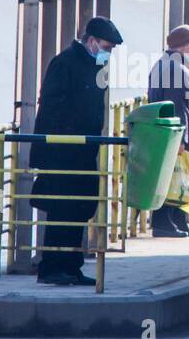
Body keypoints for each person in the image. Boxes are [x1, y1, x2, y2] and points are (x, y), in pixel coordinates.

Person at [30, 16, 123, 285]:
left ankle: (71, 266)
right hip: (62, 152)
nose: (108, 52)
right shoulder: (65, 63)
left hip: (83, 152)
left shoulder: (94, 65)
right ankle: (52, 267)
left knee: (80, 208)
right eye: (106, 46)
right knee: (61, 209)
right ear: (91, 41)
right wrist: (70, 137)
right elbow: (52, 107)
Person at [148, 25, 189, 237]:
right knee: (174, 180)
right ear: (184, 46)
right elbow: (177, 107)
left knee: (177, 180)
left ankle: (177, 221)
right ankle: (165, 222)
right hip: (182, 138)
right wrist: (181, 140)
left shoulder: (166, 65)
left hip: (170, 135)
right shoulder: (176, 69)